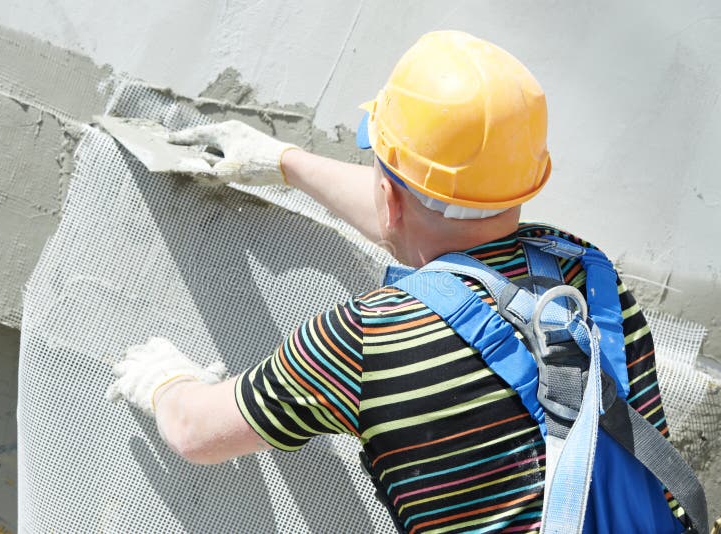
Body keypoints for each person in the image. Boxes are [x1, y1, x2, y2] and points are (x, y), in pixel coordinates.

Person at [106, 31, 705, 533]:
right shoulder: (591, 282)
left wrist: (164, 382)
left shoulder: (364, 341)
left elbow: (196, 432)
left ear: (388, 197)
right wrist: (285, 163)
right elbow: (444, 239)